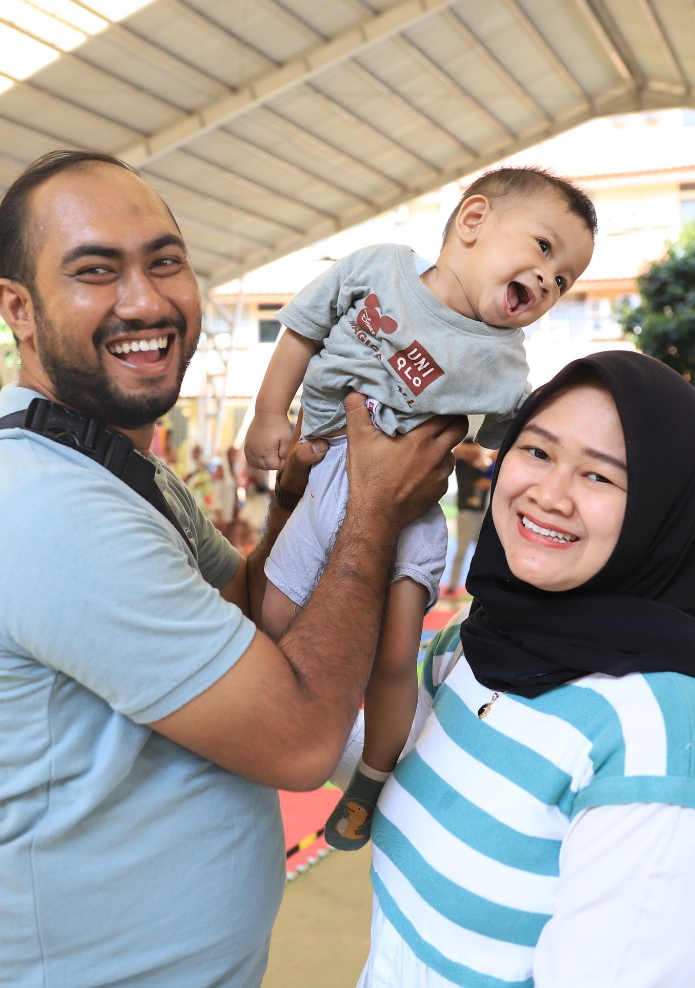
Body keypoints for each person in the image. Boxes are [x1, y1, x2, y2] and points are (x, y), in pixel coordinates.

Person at [0, 150, 463, 988]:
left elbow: (246, 606)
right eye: (97, 271)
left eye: (165, 262)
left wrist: (302, 501)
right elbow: (303, 738)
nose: (147, 301)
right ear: (17, 308)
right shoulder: (46, 502)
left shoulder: (107, 462)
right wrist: (373, 508)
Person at [355, 350, 695, 988]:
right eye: (538, 452)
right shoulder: (480, 646)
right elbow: (369, 749)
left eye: (601, 477)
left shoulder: (671, 741)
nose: (549, 496)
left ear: (661, 512)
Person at [244, 165, 597, 850]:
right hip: (324, 482)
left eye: (565, 281)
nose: (551, 283)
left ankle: (370, 782)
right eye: (545, 250)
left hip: (408, 510)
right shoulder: (380, 270)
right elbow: (301, 329)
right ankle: (281, 726)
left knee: (399, 653)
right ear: (472, 222)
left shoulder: (504, 367)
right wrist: (267, 414)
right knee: (271, 616)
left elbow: (523, 442)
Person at [442, 437, 491, 597]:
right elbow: (458, 450)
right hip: (467, 513)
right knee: (462, 549)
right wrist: (477, 450)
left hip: (480, 514)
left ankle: (482, 585)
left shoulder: (480, 468)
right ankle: (453, 583)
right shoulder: (462, 465)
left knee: (483, 550)